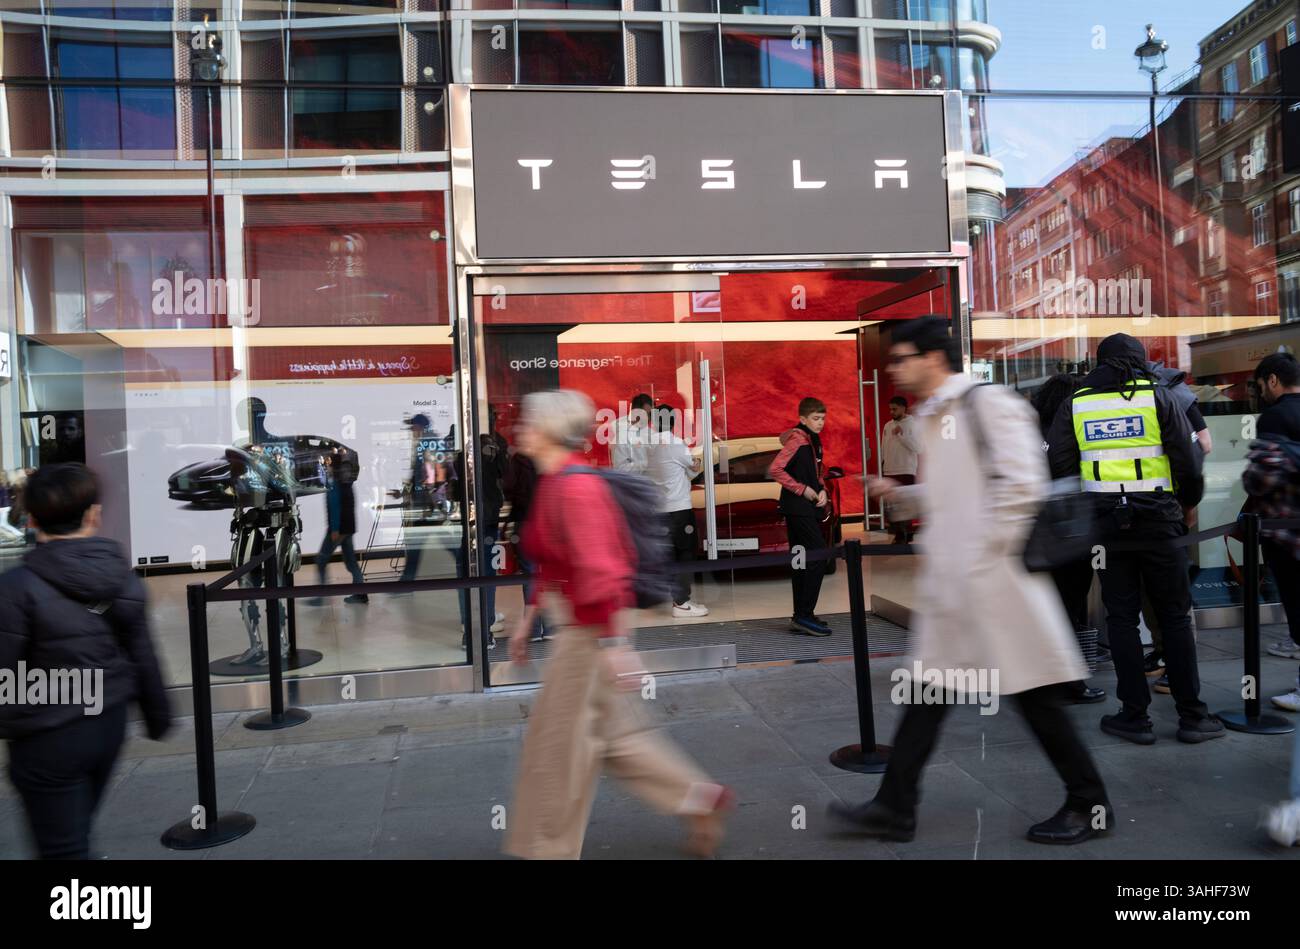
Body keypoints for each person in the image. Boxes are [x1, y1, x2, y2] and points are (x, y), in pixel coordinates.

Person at [828, 316, 1110, 845]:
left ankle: (1090, 803)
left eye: (901, 357)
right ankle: (895, 806)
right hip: (959, 594)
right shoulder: (936, 417)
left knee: (1038, 699)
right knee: (929, 695)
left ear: (932, 359)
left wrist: (980, 561)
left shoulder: (988, 403)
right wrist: (902, 494)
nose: (893, 368)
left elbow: (1023, 488)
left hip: (997, 590)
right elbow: (955, 495)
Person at [504, 389, 732, 859]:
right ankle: (698, 799)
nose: (520, 428)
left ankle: (546, 848)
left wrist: (613, 644)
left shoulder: (573, 487)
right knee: (615, 739)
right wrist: (528, 621)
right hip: (583, 626)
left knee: (558, 749)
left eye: (529, 420)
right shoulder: (555, 482)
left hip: (588, 632)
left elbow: (599, 569)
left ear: (548, 430)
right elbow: (552, 563)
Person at [1047, 333, 1223, 745]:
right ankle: (1193, 716)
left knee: (1121, 618)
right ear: (1140, 360)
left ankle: (1134, 715)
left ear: (1100, 361)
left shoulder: (1078, 402)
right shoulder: (1160, 397)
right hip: (1160, 520)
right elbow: (1188, 459)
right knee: (1174, 616)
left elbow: (1057, 461)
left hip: (1106, 524)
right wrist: (1186, 504)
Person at [0, 463, 171, 858]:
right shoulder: (122, 577)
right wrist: (157, 715)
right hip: (107, 725)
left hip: (47, 734)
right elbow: (141, 650)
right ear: (93, 514)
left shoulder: (15, 588)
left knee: (64, 847)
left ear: (30, 518)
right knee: (73, 833)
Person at [1030, 374, 1105, 705]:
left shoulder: (1029, 433)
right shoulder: (1074, 430)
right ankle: (1071, 681)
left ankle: (1040, 676)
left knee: (1046, 608)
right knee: (1070, 607)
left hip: (1034, 534)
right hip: (1069, 533)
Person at [1248, 353, 1300, 711]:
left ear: (1272, 380)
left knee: (1298, 608)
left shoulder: (1275, 415)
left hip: (1287, 532)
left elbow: (1263, 477)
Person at [769, 397, 832, 637]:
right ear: (803, 419)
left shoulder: (813, 440)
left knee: (802, 560)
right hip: (797, 507)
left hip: (805, 508)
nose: (820, 423)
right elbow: (775, 469)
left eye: (823, 418)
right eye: (816, 419)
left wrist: (822, 488)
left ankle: (802, 614)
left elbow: (817, 471)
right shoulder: (797, 439)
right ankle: (804, 614)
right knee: (817, 556)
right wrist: (802, 489)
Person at [646, 405, 708, 618]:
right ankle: (681, 603)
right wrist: (697, 460)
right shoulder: (676, 444)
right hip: (679, 508)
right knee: (686, 554)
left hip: (659, 509)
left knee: (671, 555)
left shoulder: (650, 445)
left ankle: (678, 599)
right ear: (674, 423)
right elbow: (693, 465)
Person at [503, 443, 551, 643]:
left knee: (530, 575)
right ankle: (549, 626)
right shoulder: (548, 460)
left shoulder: (517, 461)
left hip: (524, 523)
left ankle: (532, 627)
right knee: (548, 574)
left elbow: (508, 490)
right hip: (547, 524)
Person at [316, 447, 367, 604]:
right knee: (351, 562)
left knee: (321, 560)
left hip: (339, 529)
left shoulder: (335, 483)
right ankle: (361, 594)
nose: (326, 464)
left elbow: (335, 506)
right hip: (348, 527)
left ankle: (322, 596)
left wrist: (335, 529)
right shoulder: (347, 483)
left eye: (328, 462)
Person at [881, 395, 922, 544]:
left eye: (895, 409)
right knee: (891, 506)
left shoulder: (913, 424)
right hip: (889, 470)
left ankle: (904, 534)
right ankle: (899, 533)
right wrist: (882, 465)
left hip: (906, 469)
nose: (892, 412)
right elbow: (883, 448)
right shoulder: (887, 425)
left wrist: (902, 435)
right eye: (890, 409)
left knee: (906, 504)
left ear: (903, 408)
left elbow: (918, 448)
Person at [610, 393, 653, 475]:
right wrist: (648, 464)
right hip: (633, 485)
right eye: (646, 414)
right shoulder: (621, 436)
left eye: (650, 414)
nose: (649, 418)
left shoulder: (651, 432)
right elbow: (620, 469)